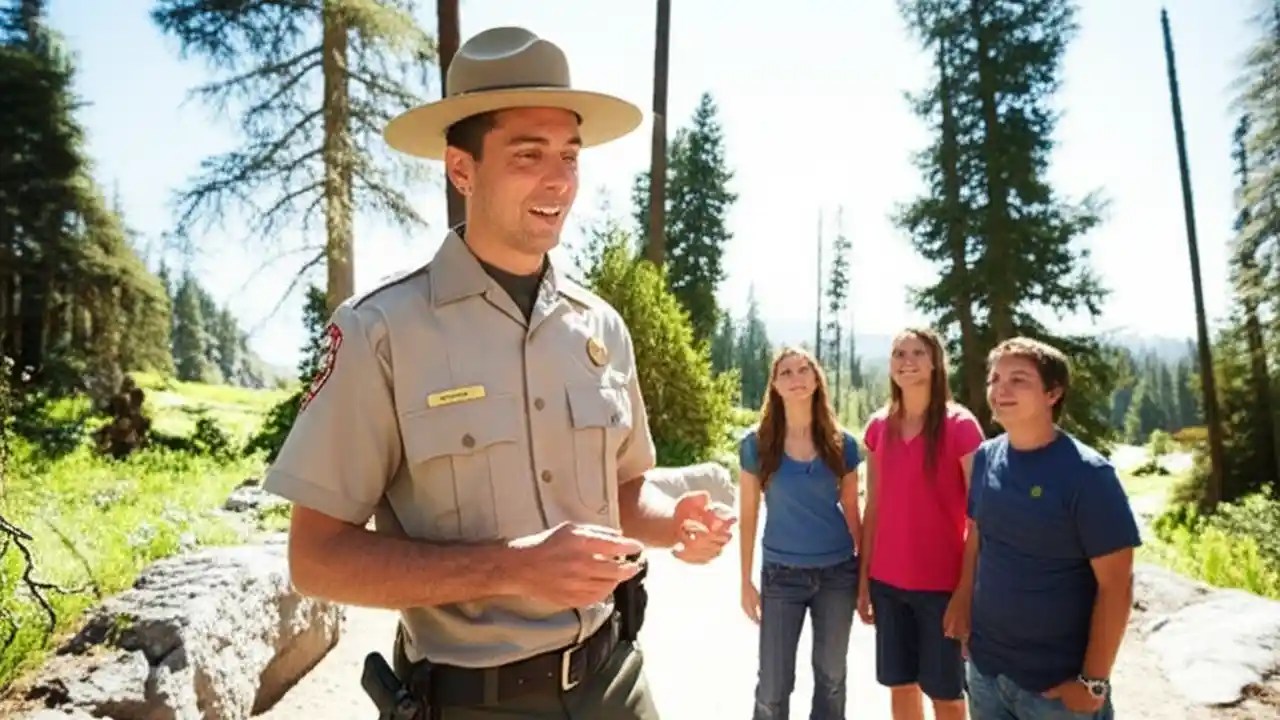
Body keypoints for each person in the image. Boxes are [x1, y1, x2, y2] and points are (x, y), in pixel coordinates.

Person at [261, 26, 736, 720]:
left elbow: (621, 493)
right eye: (528, 154)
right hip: (473, 705)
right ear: (462, 168)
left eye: (570, 156)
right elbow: (317, 558)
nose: (559, 181)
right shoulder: (380, 331)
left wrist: (675, 522)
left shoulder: (599, 326)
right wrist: (514, 567)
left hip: (616, 683)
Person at [961, 337, 1141, 720]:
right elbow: (978, 535)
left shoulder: (1088, 475)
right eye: (994, 378)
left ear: (1053, 393)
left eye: (1019, 379)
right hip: (986, 672)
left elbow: (1117, 584)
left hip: (1055, 688)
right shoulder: (985, 458)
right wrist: (963, 606)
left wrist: (1094, 682)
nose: (1000, 389)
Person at [857, 328, 985, 720]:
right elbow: (873, 507)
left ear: (935, 363)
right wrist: (864, 581)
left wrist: (965, 591)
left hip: (942, 587)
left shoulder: (961, 427)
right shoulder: (879, 427)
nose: (906, 360)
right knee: (901, 686)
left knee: (946, 694)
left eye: (917, 352)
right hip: (887, 584)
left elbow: (979, 517)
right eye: (898, 353)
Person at [738, 346, 862, 720]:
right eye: (786, 372)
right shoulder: (756, 445)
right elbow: (748, 514)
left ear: (815, 379)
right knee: (773, 686)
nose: (795, 378)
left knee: (832, 678)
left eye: (803, 370)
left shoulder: (843, 444)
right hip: (781, 575)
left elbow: (854, 511)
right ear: (774, 385)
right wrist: (745, 581)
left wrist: (866, 577)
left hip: (838, 574)